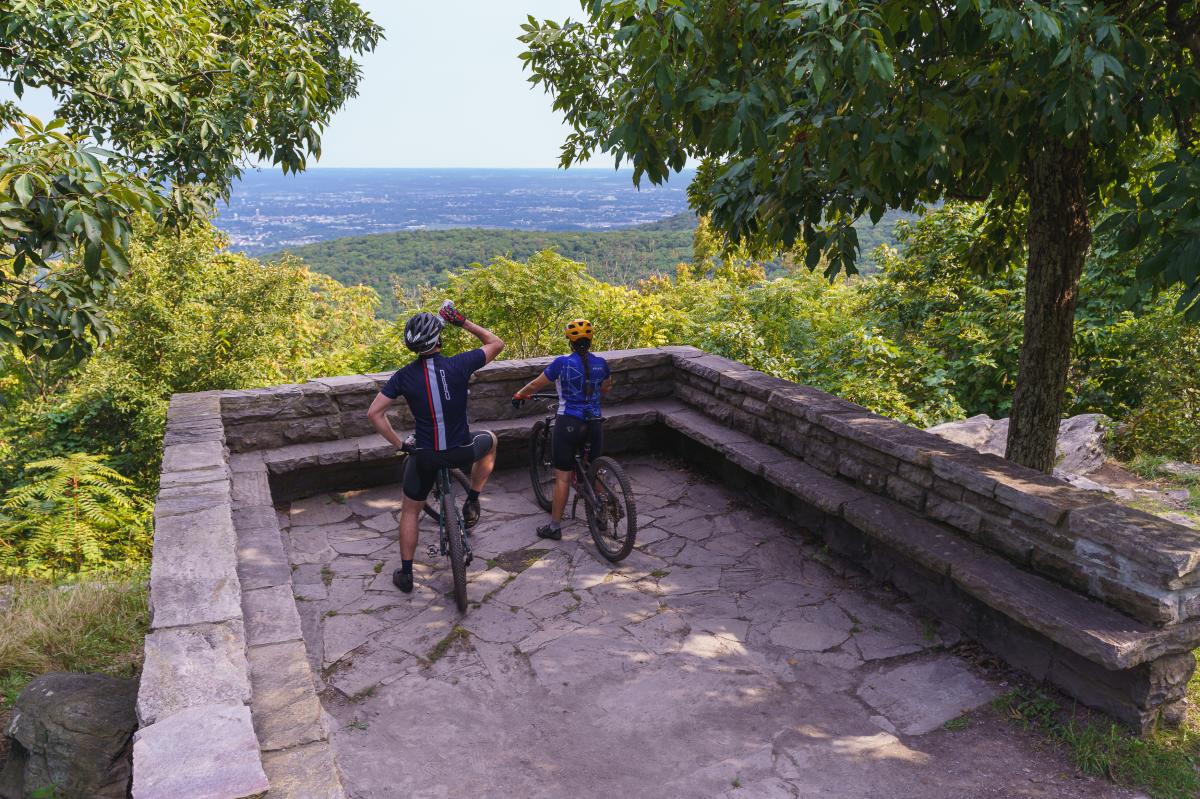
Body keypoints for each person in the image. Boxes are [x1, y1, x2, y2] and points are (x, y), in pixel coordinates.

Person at [366, 301, 504, 593]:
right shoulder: (459, 364)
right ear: (439, 339)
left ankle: (406, 575)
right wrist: (461, 321)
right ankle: (473, 499)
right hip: (462, 450)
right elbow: (496, 343)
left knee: (410, 511)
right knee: (490, 440)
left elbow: (374, 414)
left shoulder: (403, 376)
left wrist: (400, 444)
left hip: (425, 456)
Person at [511, 318, 612, 540]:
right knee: (595, 469)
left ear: (570, 341)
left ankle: (555, 527)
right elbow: (605, 387)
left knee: (563, 477)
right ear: (591, 339)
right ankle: (602, 514)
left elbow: (537, 384)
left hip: (569, 423)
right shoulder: (601, 363)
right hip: (595, 422)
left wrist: (520, 394)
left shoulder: (562, 363)